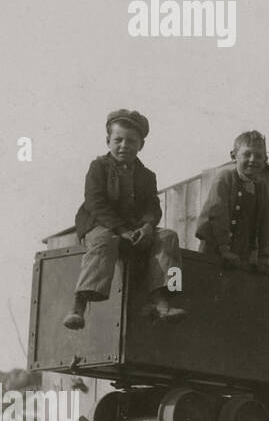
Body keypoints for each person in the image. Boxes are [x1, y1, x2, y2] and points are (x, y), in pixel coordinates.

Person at [63, 108, 186, 329]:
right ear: (108, 140)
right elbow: (95, 203)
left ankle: (164, 298)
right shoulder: (98, 167)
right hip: (100, 224)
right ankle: (79, 304)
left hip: (135, 228)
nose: (124, 145)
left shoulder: (147, 176)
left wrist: (148, 227)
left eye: (131, 141)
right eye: (118, 140)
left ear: (141, 145)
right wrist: (121, 230)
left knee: (169, 237)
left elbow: (152, 206)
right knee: (104, 241)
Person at [195, 130, 269, 268]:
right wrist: (224, 249)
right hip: (215, 248)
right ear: (234, 156)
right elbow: (218, 213)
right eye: (247, 154)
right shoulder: (225, 178)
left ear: (265, 160)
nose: (253, 159)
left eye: (258, 156)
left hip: (242, 253)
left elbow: (265, 222)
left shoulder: (262, 187)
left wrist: (263, 256)